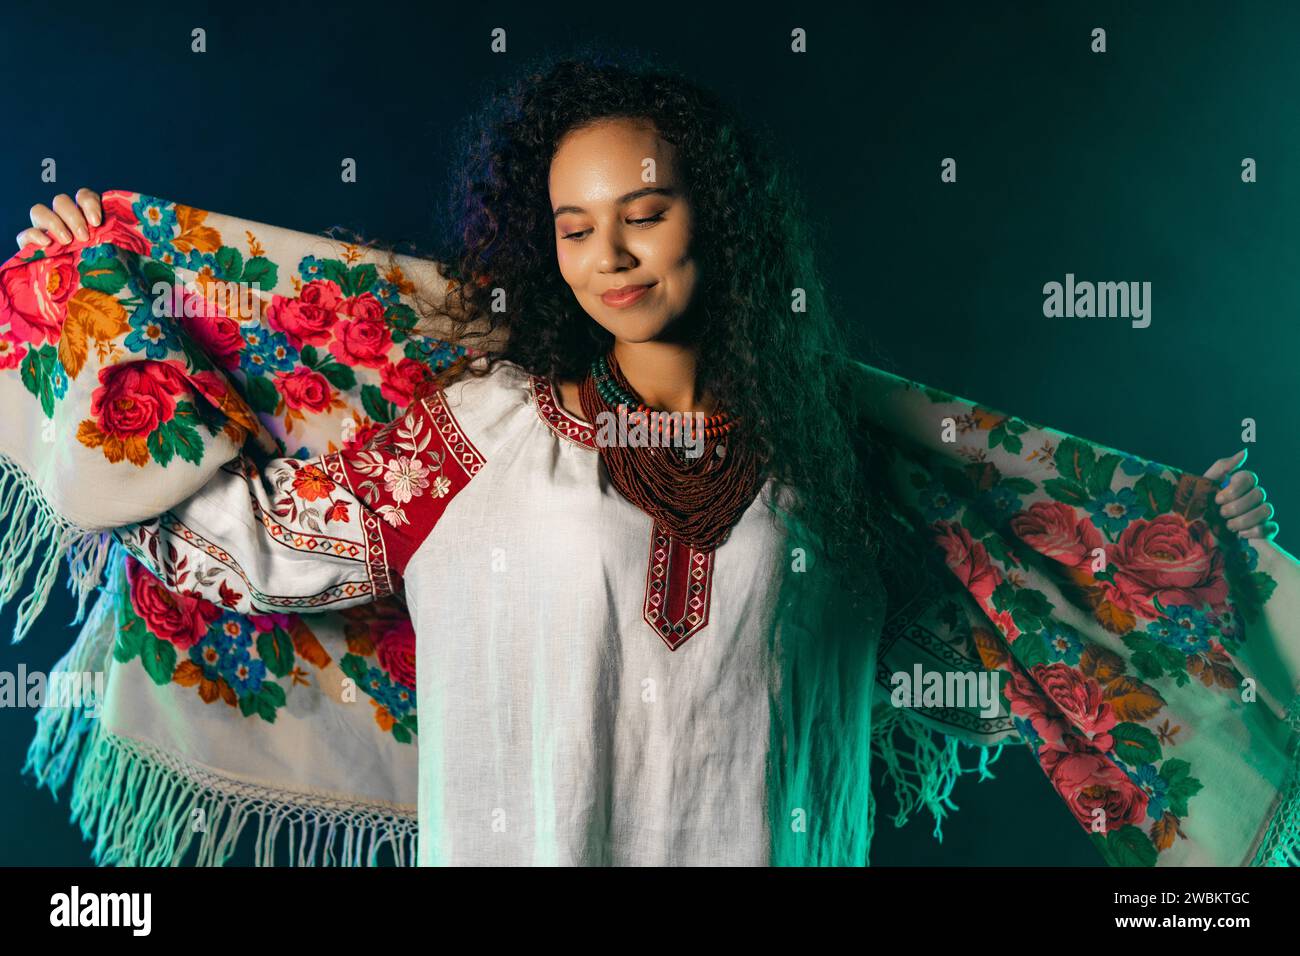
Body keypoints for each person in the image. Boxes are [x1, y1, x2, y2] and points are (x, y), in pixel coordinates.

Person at [9, 58, 1286, 867]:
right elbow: (247, 544)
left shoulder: (838, 461)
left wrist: (1198, 539)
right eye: (575, 227)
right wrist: (111, 331)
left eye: (645, 213)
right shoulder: (481, 431)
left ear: (714, 226)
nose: (610, 255)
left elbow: (1051, 598)